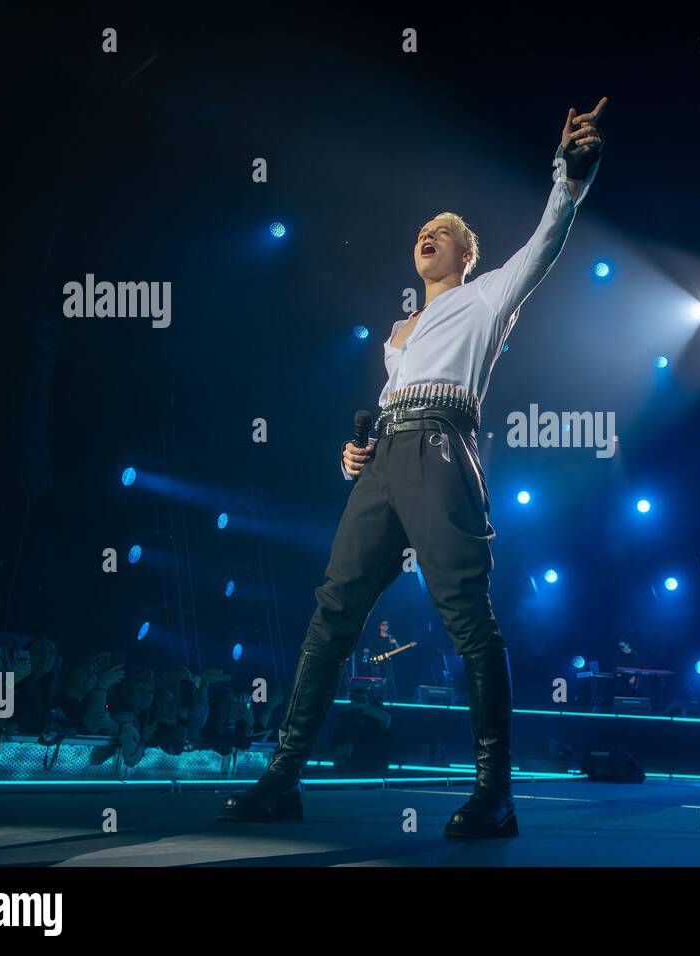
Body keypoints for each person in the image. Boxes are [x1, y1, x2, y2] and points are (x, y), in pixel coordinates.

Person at [220, 97, 607, 838]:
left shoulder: (489, 295)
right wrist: (353, 456)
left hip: (441, 448)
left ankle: (495, 792)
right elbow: (385, 407)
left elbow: (547, 240)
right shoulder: (396, 336)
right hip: (385, 460)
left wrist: (569, 175)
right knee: (332, 614)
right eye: (422, 232)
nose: (428, 236)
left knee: (466, 617)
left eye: (445, 233)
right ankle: (283, 776)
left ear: (467, 255)